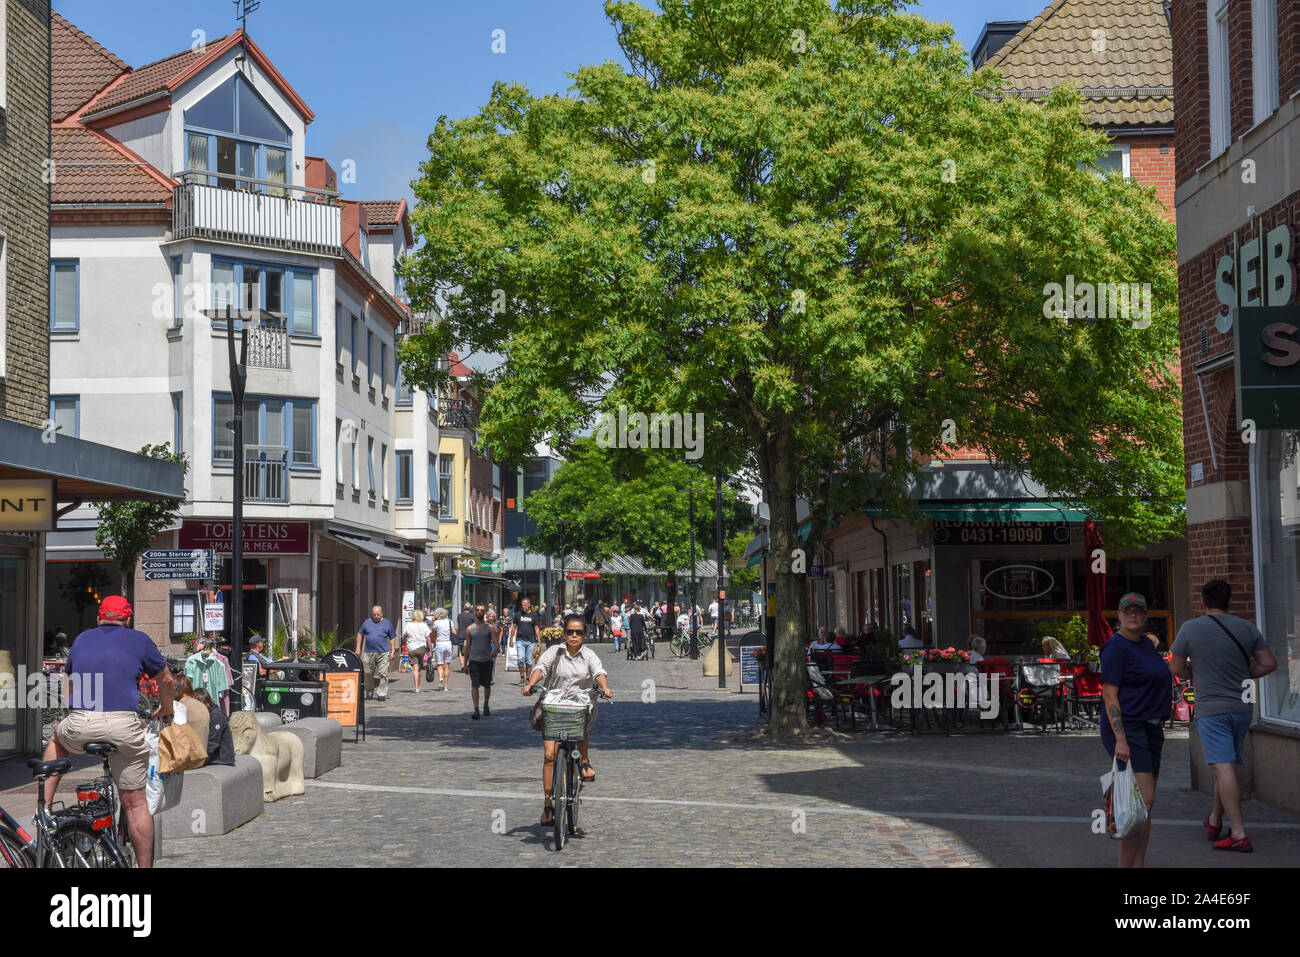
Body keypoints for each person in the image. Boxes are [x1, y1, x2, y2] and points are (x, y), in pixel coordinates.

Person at [42, 596, 173, 868]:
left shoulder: (81, 640)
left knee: (57, 738)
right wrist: (166, 709)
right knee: (136, 804)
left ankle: (43, 808)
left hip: (82, 722)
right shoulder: (139, 639)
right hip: (123, 727)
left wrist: (75, 715)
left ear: (99, 618)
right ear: (127, 619)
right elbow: (166, 679)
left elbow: (71, 681)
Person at [1170, 579, 1278, 852]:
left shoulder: (1191, 629)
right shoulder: (1247, 628)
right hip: (1242, 708)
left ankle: (1239, 833)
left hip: (1212, 709)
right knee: (1225, 767)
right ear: (1229, 600)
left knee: (1224, 768)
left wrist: (1197, 675)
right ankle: (1215, 819)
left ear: (1203, 601)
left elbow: (1176, 666)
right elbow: (1269, 664)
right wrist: (1243, 674)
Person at [1100, 593, 1172, 868]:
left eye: (1139, 611)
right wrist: (1121, 739)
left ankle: (1138, 864)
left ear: (1145, 615)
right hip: (1129, 729)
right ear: (1119, 616)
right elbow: (1109, 695)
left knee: (1145, 804)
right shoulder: (1115, 648)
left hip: (1152, 727)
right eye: (1128, 611)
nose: (1134, 615)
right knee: (1141, 802)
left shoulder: (1146, 644)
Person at [522, 613, 613, 826]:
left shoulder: (589, 655)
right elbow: (540, 668)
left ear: (584, 635)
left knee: (582, 721)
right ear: (564, 633)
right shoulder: (555, 651)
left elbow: (599, 672)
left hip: (579, 705)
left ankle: (584, 761)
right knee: (549, 754)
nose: (573, 635)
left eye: (578, 632)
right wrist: (530, 684)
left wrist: (605, 687)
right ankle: (548, 803)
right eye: (570, 632)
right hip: (555, 705)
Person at [460, 604, 499, 719]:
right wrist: (465, 664)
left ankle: (486, 704)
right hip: (474, 660)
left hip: (486, 660)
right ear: (475, 612)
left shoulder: (490, 628)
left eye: (482, 610)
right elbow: (467, 647)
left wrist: (494, 651)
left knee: (487, 685)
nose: (479, 612)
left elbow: (496, 643)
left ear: (485, 612)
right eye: (477, 610)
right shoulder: (470, 629)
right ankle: (476, 709)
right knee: (475, 685)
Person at [355, 605, 397, 701]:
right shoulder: (367, 622)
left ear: (382, 613)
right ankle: (369, 691)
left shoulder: (387, 623)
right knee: (368, 673)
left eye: (378, 614)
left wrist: (393, 651)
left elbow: (392, 637)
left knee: (383, 673)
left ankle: (382, 693)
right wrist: (358, 648)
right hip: (368, 652)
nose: (376, 616)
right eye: (374, 615)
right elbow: (360, 634)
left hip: (383, 653)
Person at [511, 597, 544, 685]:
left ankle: (528, 679)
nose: (523, 606)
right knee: (521, 659)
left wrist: (539, 643)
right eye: (522, 605)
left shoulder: (534, 615)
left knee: (528, 661)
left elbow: (537, 628)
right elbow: (514, 627)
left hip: (530, 641)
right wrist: (511, 640)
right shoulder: (518, 614)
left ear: (529, 605)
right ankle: (522, 677)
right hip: (520, 640)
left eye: (525, 604)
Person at [404, 610, 431, 692]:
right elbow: (428, 639)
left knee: (415, 667)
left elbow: (404, 637)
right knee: (419, 667)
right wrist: (430, 650)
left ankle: (416, 688)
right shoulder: (424, 625)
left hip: (411, 648)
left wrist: (405, 644)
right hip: (422, 648)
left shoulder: (408, 625)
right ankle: (418, 686)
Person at [430, 607, 455, 691]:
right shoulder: (449, 621)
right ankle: (446, 686)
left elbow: (432, 633)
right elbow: (454, 632)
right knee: (447, 665)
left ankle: (440, 678)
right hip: (447, 643)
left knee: (440, 664)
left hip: (439, 643)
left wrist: (433, 624)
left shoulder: (436, 623)